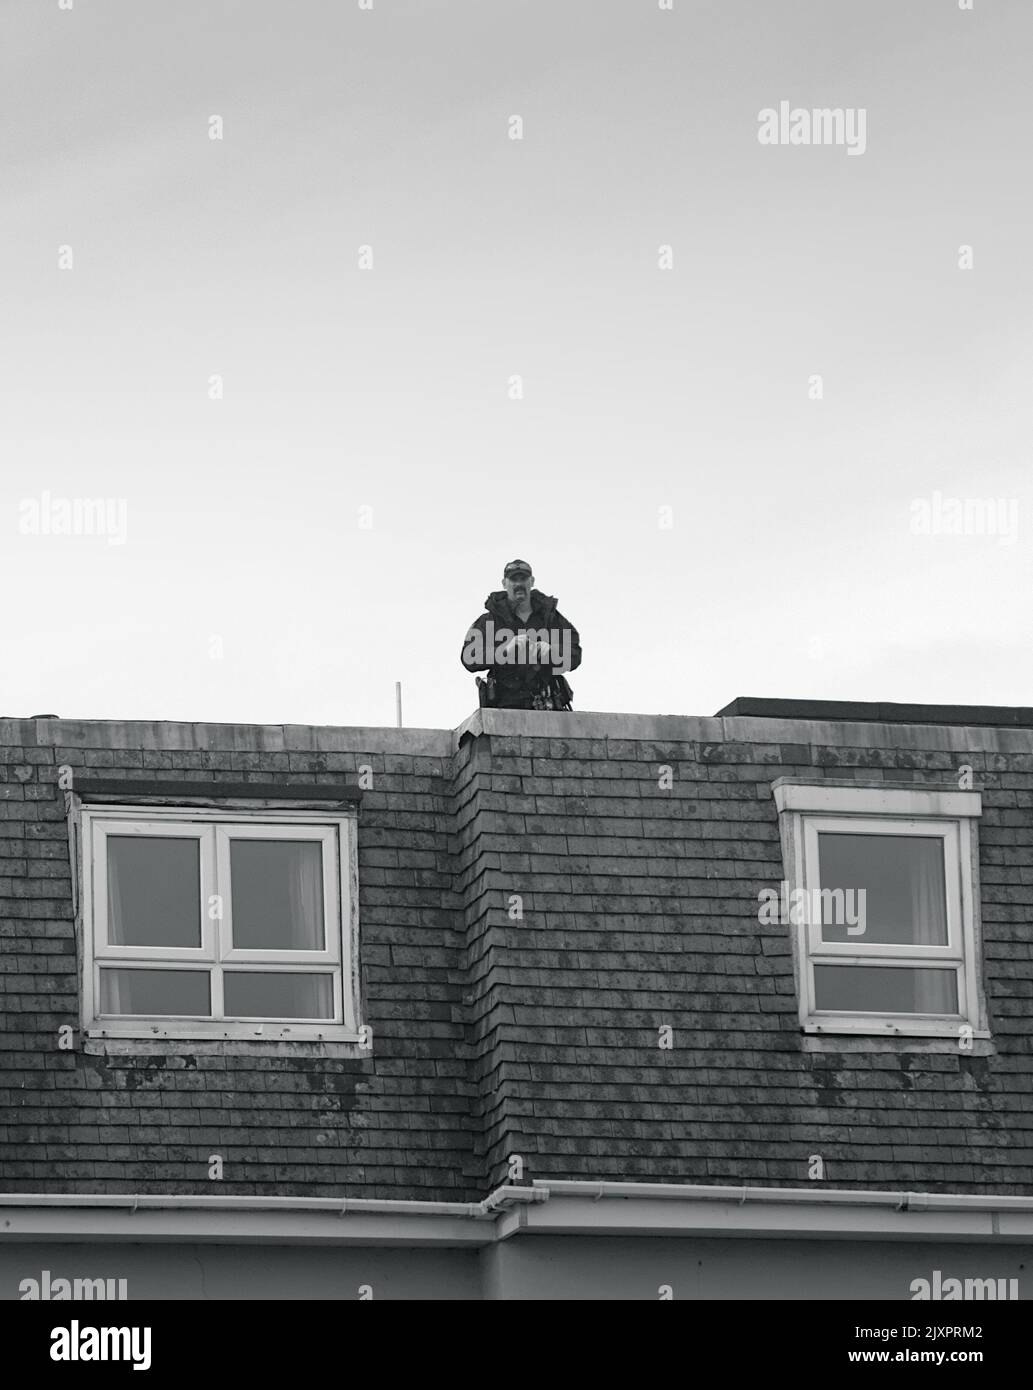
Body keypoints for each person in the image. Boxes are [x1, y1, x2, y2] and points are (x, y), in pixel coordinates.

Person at [461, 560, 582, 710]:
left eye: (523, 579)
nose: (518, 584)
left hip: (549, 708)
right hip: (504, 710)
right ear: (504, 583)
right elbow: (469, 657)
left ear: (531, 581)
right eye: (513, 579)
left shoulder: (550, 618)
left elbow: (575, 654)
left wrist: (553, 652)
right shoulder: (489, 621)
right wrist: (504, 650)